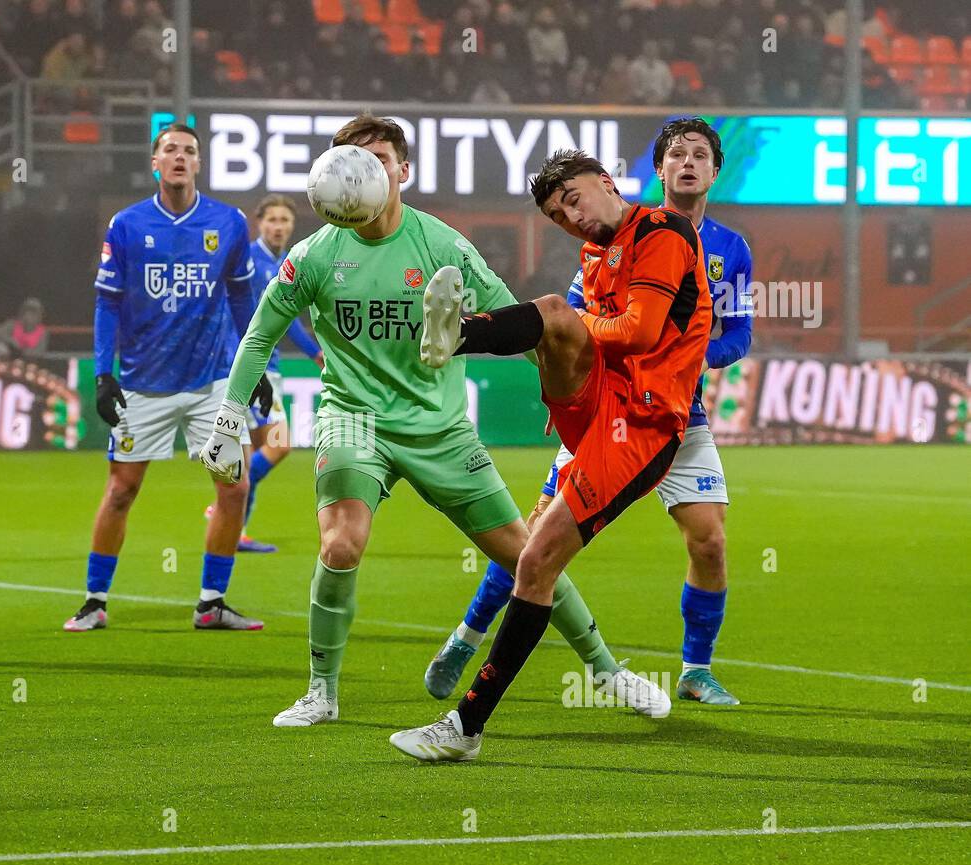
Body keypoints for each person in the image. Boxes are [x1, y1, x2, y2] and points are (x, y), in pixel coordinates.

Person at [199, 114, 668, 728]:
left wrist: (573, 394)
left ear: (403, 171)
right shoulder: (313, 255)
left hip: (440, 428)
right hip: (354, 419)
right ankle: (321, 691)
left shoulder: (444, 246)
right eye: (350, 157)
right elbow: (260, 335)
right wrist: (231, 414)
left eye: (376, 158)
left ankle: (607, 670)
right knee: (340, 545)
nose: (363, 168)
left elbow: (519, 326)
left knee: (527, 556)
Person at [391, 148, 712, 761]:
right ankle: (455, 334)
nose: (569, 219)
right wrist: (564, 360)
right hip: (600, 406)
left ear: (606, 182)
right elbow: (592, 336)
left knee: (535, 561)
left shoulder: (663, 231)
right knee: (558, 317)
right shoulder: (595, 256)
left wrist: (567, 335)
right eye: (557, 216)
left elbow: (641, 333)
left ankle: (465, 726)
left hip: (645, 424)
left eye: (572, 200)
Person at [427, 117, 754, 707]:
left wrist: (694, 349)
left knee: (709, 542)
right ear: (656, 170)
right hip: (610, 407)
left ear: (713, 169)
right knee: (538, 535)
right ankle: (467, 634)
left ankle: (696, 669)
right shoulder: (603, 243)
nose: (687, 162)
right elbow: (572, 324)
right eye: (675, 153)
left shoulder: (730, 250)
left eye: (699, 154)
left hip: (681, 412)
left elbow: (740, 332)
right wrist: (568, 378)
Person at [63, 123, 271, 634]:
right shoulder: (128, 224)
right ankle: (94, 600)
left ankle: (211, 602)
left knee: (233, 486)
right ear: (154, 161)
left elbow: (244, 297)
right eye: (170, 150)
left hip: (211, 382)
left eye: (189, 151)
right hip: (142, 382)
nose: (180, 157)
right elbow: (107, 301)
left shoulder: (229, 222)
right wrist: (103, 375)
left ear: (199, 163)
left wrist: (257, 362)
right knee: (121, 491)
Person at [207, 193, 323, 554]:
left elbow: (286, 321)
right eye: (272, 219)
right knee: (278, 444)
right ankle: (223, 504)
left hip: (268, 368)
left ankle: (237, 529)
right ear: (260, 223)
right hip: (245, 368)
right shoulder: (249, 260)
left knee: (261, 449)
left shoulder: (287, 263)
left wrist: (315, 353)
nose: (278, 226)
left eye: (285, 220)